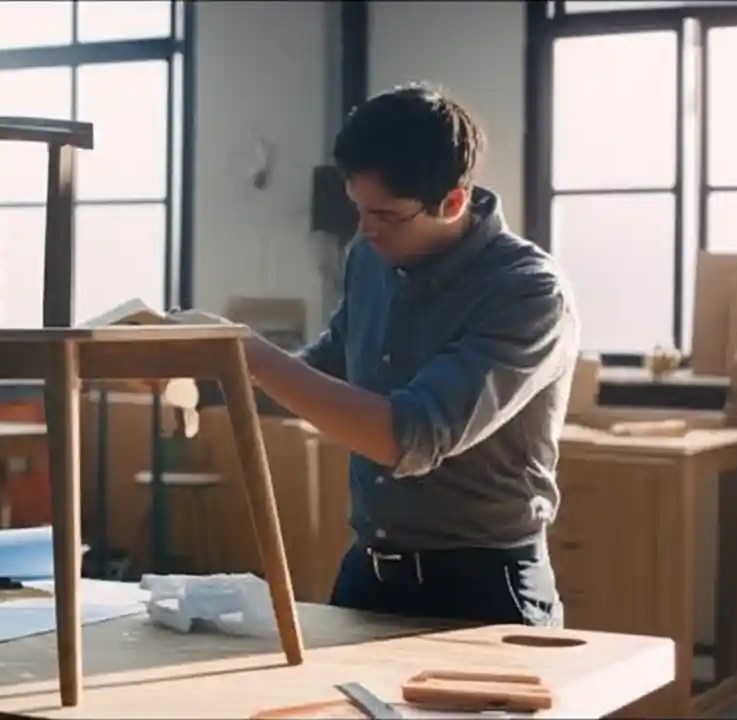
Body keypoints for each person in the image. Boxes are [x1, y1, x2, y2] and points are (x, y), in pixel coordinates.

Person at [175, 83, 579, 627]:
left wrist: (244, 349)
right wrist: (203, 374)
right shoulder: (369, 257)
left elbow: (408, 437)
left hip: (484, 583)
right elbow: (326, 370)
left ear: (453, 202)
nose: (366, 229)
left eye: (386, 215)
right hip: (370, 570)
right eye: (358, 209)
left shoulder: (528, 292)